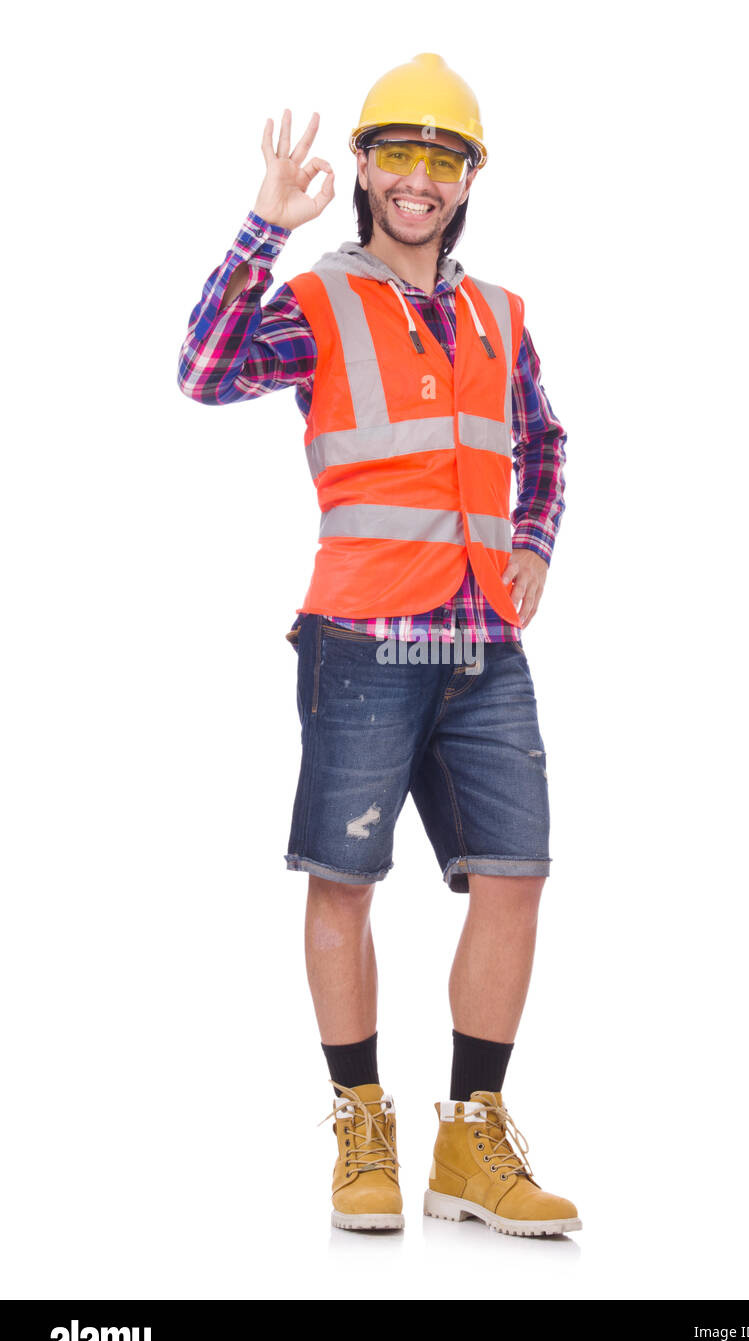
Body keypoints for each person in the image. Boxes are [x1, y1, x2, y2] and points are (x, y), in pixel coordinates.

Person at [178, 53, 581, 1238]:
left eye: (441, 159)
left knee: (516, 879)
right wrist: (262, 227)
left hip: (483, 645)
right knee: (344, 882)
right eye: (396, 155)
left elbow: (546, 441)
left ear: (466, 181)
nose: (418, 178)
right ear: (364, 169)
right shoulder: (317, 299)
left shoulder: (501, 314)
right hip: (360, 641)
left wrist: (536, 543)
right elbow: (202, 372)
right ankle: (361, 1120)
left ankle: (471, 1138)